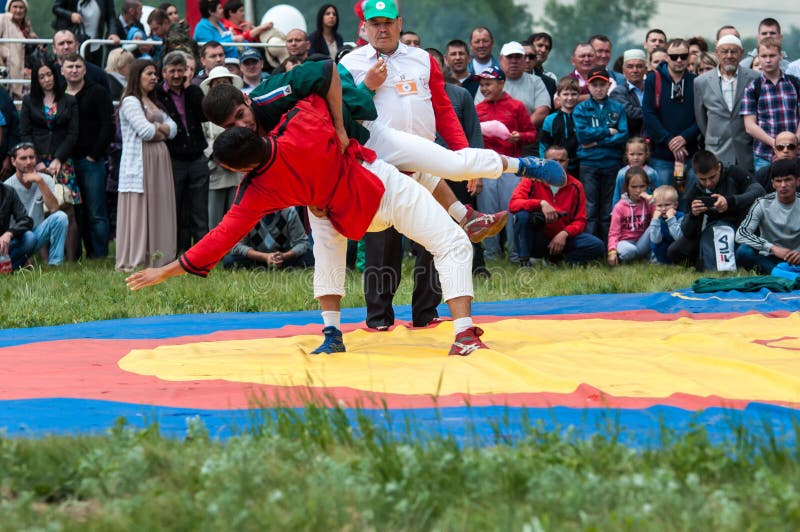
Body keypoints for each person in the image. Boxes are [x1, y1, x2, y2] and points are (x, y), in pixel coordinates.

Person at [126, 93, 490, 357]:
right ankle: (463, 334)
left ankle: (332, 331)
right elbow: (322, 78)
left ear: (242, 169)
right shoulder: (300, 121)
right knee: (452, 242)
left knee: (327, 250)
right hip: (375, 186)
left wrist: (167, 270)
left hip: (336, 213)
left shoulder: (255, 190)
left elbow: (221, 237)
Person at [116, 59, 178, 272]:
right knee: (141, 207)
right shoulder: (130, 102)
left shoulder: (153, 102)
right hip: (141, 162)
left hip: (159, 161)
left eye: (155, 74)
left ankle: (160, 255)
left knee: (159, 205)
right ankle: (138, 258)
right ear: (137, 75)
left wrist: (158, 128)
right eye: (149, 74)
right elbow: (146, 132)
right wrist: (161, 129)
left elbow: (174, 128)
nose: (154, 78)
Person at [20, 60, 80, 261]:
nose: (47, 79)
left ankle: (70, 260)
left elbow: (73, 133)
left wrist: (59, 159)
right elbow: (25, 133)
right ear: (36, 80)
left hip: (62, 162)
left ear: (55, 75)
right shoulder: (28, 101)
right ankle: (46, 260)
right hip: (36, 164)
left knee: (68, 209)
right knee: (41, 210)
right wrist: (36, 161)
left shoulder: (69, 100)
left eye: (49, 75)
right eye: (42, 76)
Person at [475, 66, 536, 262]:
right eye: (482, 85)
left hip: (510, 167)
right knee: (487, 212)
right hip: (486, 168)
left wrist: (520, 136)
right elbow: (473, 141)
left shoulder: (516, 106)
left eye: (488, 84)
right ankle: (491, 253)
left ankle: (514, 253)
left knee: (511, 210)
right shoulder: (478, 109)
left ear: (501, 83)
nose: (484, 88)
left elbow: (532, 134)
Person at [668, 150, 764, 270]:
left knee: (743, 251)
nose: (708, 183)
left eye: (712, 177)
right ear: (696, 174)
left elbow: (759, 191)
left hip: (742, 223)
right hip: (714, 227)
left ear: (718, 167)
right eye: (703, 179)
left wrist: (730, 201)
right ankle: (703, 262)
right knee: (675, 250)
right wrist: (693, 215)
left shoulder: (733, 172)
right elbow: (688, 233)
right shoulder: (693, 191)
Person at [510, 145, 604, 266]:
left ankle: (557, 260)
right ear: (544, 162)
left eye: (562, 160)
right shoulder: (531, 179)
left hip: (563, 238)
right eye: (553, 161)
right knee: (522, 216)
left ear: (568, 162)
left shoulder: (576, 185)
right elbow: (513, 204)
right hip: (537, 236)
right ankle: (525, 262)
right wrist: (540, 203)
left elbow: (580, 220)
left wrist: (564, 233)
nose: (558, 164)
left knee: (597, 245)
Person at [156, 50, 209, 254]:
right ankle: (181, 252)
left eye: (181, 70)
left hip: (197, 158)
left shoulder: (193, 91)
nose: (177, 75)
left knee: (200, 209)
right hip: (174, 159)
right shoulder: (158, 94)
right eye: (172, 71)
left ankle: (203, 253)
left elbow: (203, 116)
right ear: (164, 72)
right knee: (177, 209)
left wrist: (192, 91)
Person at [63, 53, 113, 259]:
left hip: (90, 161)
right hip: (65, 162)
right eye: (70, 67)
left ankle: (99, 255)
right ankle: (73, 256)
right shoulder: (59, 94)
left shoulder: (98, 92)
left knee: (96, 212)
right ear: (62, 70)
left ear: (84, 70)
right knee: (73, 212)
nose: (74, 70)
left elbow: (108, 125)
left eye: (78, 66)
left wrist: (94, 154)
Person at [573, 67, 628, 241]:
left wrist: (597, 142)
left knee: (608, 208)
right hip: (589, 163)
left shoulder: (618, 108)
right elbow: (582, 135)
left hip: (611, 163)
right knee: (590, 208)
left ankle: (608, 245)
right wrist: (607, 131)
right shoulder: (581, 108)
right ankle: (591, 246)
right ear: (588, 86)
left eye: (602, 85)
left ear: (609, 85)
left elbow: (623, 135)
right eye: (594, 85)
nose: (598, 89)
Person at [694, 35, 760, 174]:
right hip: (716, 149)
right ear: (717, 53)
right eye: (724, 51)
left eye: (733, 51)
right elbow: (701, 117)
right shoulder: (701, 81)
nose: (729, 56)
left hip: (745, 148)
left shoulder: (754, 78)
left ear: (741, 53)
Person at [643, 38, 699, 190]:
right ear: (666, 57)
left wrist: (684, 137)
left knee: (686, 200)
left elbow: (702, 117)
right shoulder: (653, 79)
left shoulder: (696, 81)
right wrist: (669, 140)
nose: (679, 60)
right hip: (662, 156)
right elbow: (648, 114)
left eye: (683, 56)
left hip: (689, 154)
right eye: (674, 56)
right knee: (664, 200)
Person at [740, 37, 800, 172]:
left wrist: (791, 144)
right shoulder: (752, 88)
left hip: (795, 153)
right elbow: (749, 126)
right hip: (765, 156)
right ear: (758, 58)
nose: (768, 60)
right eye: (764, 56)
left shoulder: (795, 83)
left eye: (772, 55)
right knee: (765, 186)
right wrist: (777, 145)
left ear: (780, 56)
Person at [3, 142, 68, 265]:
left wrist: (40, 182)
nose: (28, 162)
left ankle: (55, 263)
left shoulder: (45, 179)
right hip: (15, 237)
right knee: (28, 236)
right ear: (13, 161)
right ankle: (18, 261)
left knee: (61, 217)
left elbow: (54, 208)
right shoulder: (7, 186)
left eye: (31, 157)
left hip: (36, 233)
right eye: (23, 158)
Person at [735, 158, 800, 274]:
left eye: (788, 180)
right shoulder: (762, 203)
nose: (783, 185)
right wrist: (772, 248)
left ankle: (780, 274)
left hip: (797, 258)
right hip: (770, 257)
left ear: (798, 181)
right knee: (743, 252)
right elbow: (741, 233)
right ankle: (781, 273)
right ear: (773, 184)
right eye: (778, 181)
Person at [474, 41, 550, 130]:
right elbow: (478, 111)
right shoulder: (487, 81)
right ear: (500, 59)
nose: (514, 61)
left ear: (524, 60)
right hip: (492, 135)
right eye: (509, 57)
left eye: (518, 57)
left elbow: (542, 111)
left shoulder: (536, 82)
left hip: (526, 135)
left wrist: (521, 131)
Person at [223, 207, 313, 269]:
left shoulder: (289, 211)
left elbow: (303, 243)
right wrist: (264, 257)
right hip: (256, 258)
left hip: (283, 258)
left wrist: (284, 256)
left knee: (311, 257)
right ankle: (268, 265)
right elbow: (236, 245)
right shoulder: (247, 213)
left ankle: (271, 265)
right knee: (229, 260)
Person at [607, 167, 654, 266]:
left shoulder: (648, 202)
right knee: (630, 250)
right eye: (634, 187)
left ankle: (639, 256)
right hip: (625, 243)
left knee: (655, 225)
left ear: (647, 186)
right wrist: (612, 251)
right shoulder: (619, 207)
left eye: (642, 186)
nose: (638, 190)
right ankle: (637, 256)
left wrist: (650, 201)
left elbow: (657, 218)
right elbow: (613, 233)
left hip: (642, 242)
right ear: (627, 187)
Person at [51, 0, 120, 66]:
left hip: (96, 44)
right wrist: (70, 15)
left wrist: (113, 33)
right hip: (73, 43)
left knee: (94, 70)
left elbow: (111, 16)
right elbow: (56, 8)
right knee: (72, 67)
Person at [539, 77, 580, 176]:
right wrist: (545, 165)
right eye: (565, 94)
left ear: (579, 95)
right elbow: (544, 145)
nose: (570, 98)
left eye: (574, 94)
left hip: (580, 167)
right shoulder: (550, 119)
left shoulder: (583, 117)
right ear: (558, 95)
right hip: (557, 166)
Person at [0, 0, 39, 99]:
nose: (18, 10)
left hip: (25, 73)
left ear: (25, 10)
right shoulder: (3, 19)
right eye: (15, 7)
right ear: (9, 8)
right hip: (7, 71)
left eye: (21, 7)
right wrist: (2, 64)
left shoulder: (26, 25)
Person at [610, 49, 648, 137]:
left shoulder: (652, 88)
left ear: (645, 70)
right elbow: (630, 114)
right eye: (630, 67)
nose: (635, 70)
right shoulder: (617, 92)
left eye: (639, 66)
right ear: (623, 71)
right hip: (630, 140)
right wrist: (654, 112)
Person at [0, 170, 33, 270]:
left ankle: (8, 267)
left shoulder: (8, 191)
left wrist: (9, 233)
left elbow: (25, 220)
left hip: (4, 244)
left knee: (29, 238)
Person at [612, 137, 659, 205]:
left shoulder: (651, 173)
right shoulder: (622, 173)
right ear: (627, 155)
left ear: (646, 154)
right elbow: (617, 194)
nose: (636, 157)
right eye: (632, 154)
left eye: (640, 154)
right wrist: (615, 210)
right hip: (627, 209)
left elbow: (657, 195)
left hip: (647, 209)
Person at [648, 184, 683, 264]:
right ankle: (658, 260)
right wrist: (655, 220)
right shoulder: (657, 219)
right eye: (659, 205)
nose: (663, 209)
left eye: (667, 205)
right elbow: (656, 240)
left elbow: (679, 238)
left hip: (676, 251)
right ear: (655, 206)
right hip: (662, 251)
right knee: (653, 242)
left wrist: (671, 219)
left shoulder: (681, 217)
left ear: (675, 205)